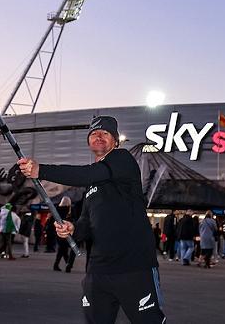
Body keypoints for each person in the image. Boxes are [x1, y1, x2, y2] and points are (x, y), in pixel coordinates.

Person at [19, 115, 165, 324]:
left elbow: (87, 174)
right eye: (94, 133)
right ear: (88, 141)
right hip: (98, 271)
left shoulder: (122, 159)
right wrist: (73, 229)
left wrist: (41, 170)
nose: (99, 137)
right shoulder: (91, 185)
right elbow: (86, 223)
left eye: (105, 133)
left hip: (134, 268)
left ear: (116, 141)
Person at [52, 197, 76, 272]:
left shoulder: (57, 209)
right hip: (67, 231)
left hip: (58, 231)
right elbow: (73, 220)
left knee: (62, 248)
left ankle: (65, 263)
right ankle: (63, 264)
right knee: (63, 249)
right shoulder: (70, 209)